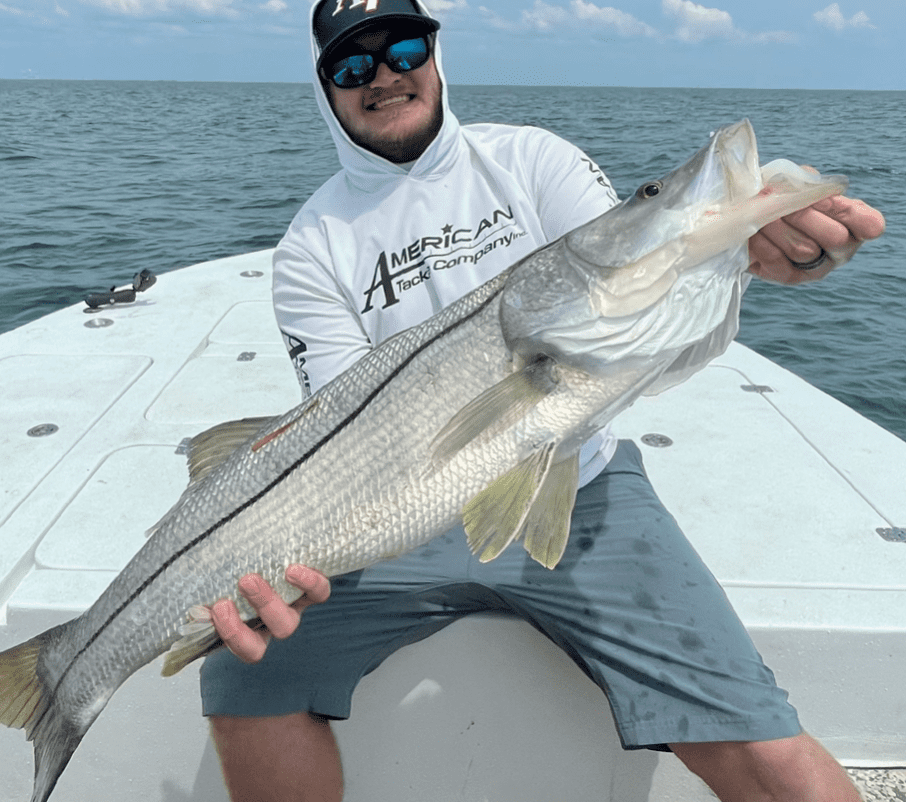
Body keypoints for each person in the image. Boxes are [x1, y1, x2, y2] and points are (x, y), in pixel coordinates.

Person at [199, 2, 887, 800]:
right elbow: (347, 438)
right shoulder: (311, 245)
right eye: (353, 66)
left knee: (760, 741)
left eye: (404, 48)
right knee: (242, 680)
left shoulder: (533, 161)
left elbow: (635, 318)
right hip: (392, 519)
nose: (384, 75)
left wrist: (738, 264)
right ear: (327, 90)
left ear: (435, 56)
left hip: (582, 483)